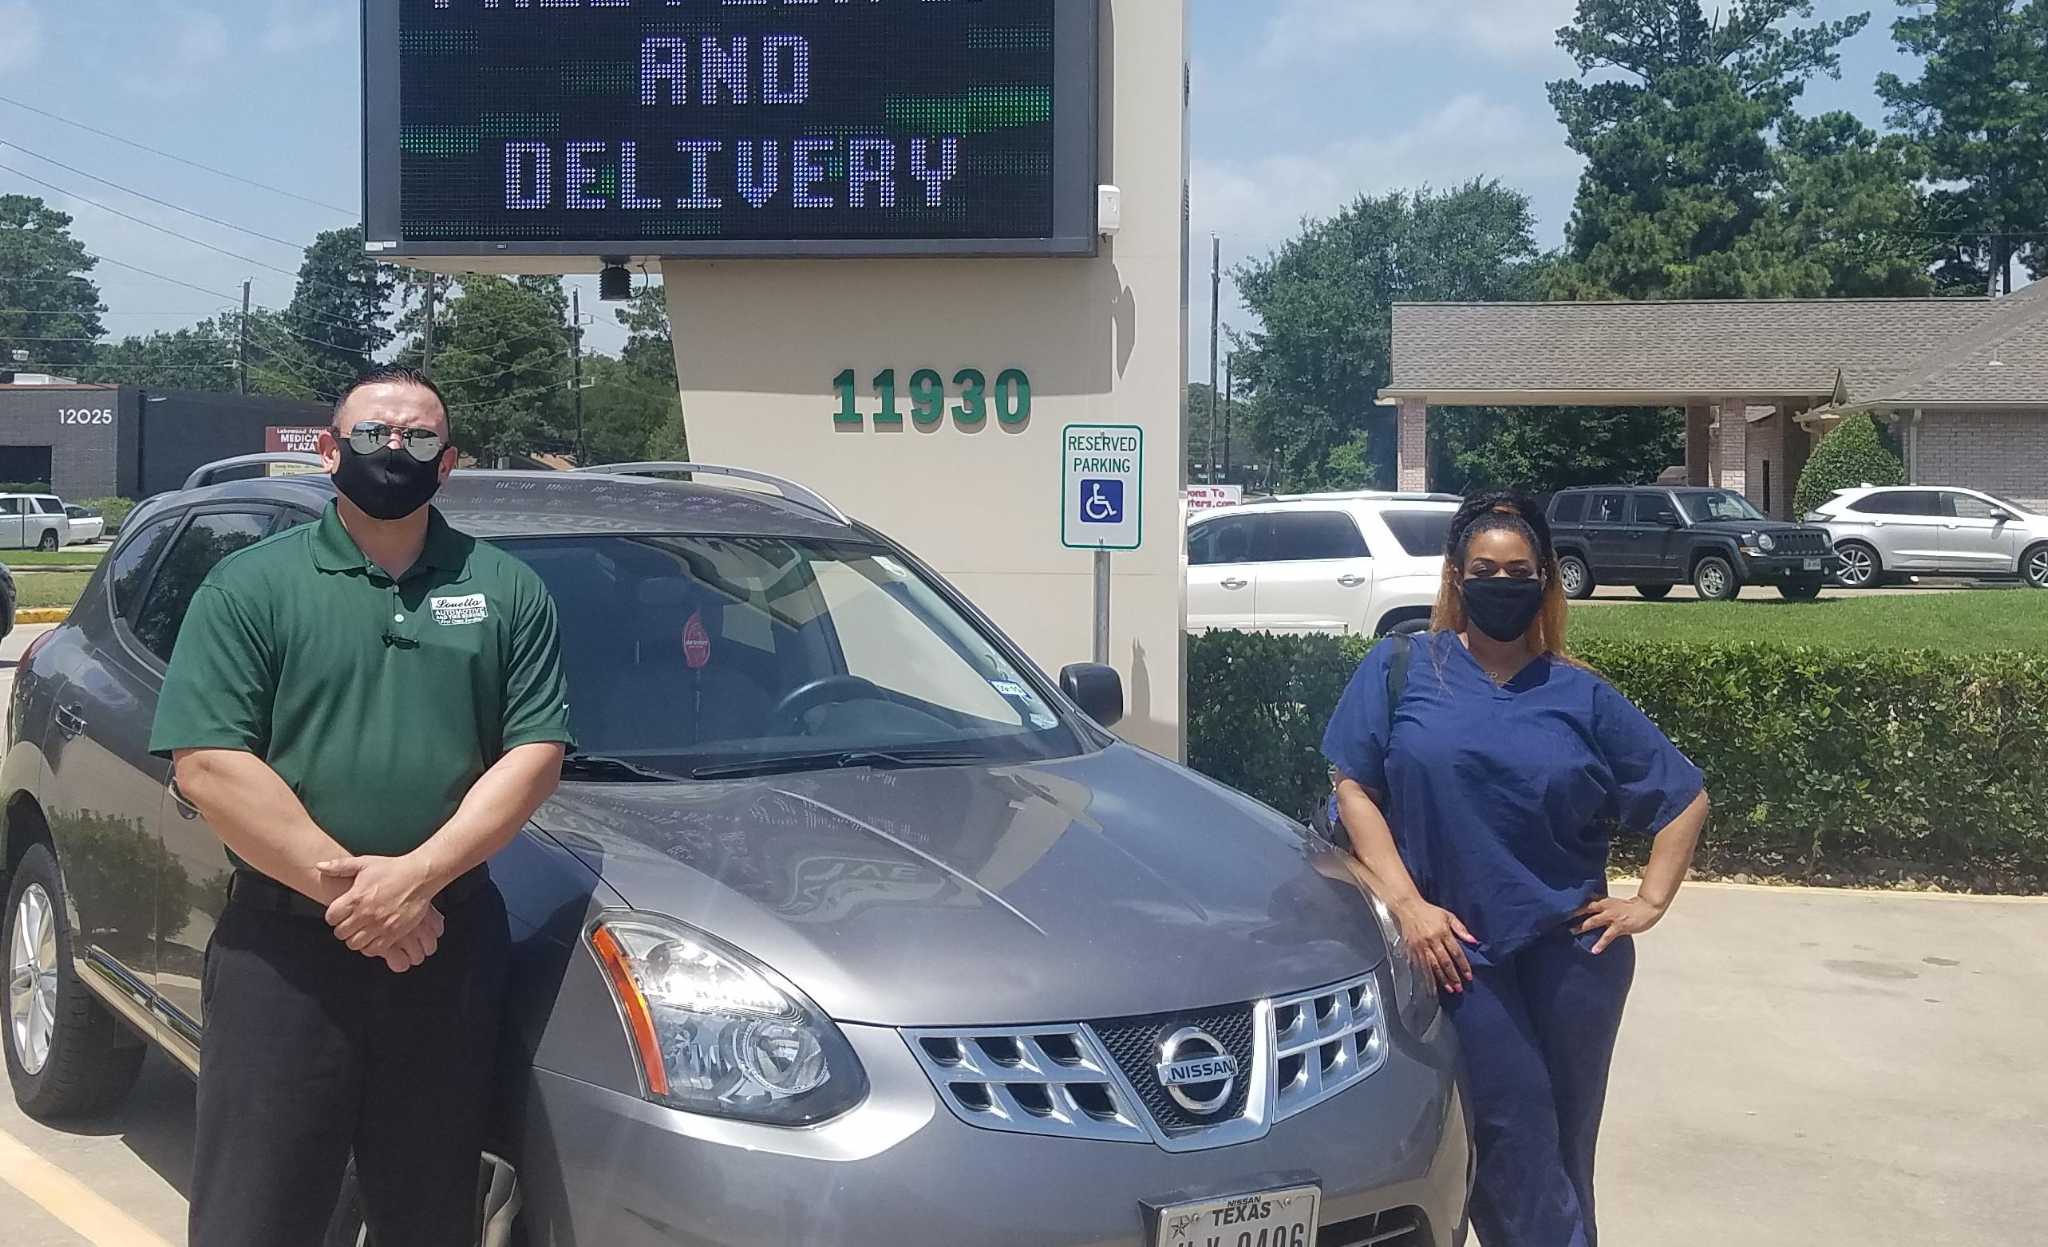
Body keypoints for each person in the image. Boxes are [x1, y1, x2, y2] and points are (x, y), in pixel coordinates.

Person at [151, 365, 573, 1247]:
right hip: (284, 958)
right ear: (330, 450)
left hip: (446, 952)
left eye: (418, 437)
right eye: (375, 434)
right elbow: (209, 764)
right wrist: (361, 896)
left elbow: (532, 757)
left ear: (447, 460)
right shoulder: (251, 586)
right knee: (254, 1214)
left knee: (431, 1212)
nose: (396, 450)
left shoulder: (506, 590)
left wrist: (418, 879)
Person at [1321, 491, 1709, 1247]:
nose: (1503, 581)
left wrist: (1649, 900)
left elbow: (1684, 797)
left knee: (1564, 1147)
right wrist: (1410, 905)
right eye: (1486, 568)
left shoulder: (1580, 693)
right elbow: (1354, 786)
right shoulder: (1404, 667)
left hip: (1575, 959)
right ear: (1457, 577)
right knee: (1514, 1133)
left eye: (1520, 569)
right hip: (1463, 953)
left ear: (1544, 581)